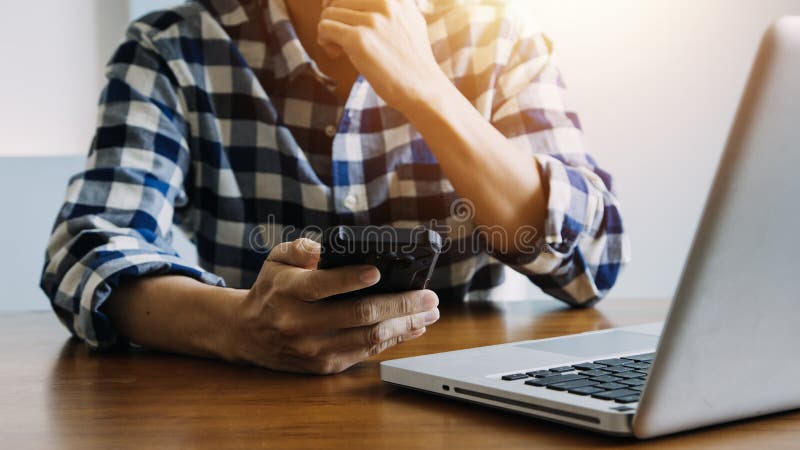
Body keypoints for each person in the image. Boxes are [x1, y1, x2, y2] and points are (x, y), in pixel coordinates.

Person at [40, 0, 629, 374]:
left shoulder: (499, 38)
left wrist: (425, 86)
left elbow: (595, 256)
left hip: (462, 403)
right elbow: (86, 253)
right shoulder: (170, 48)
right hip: (252, 408)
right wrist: (240, 324)